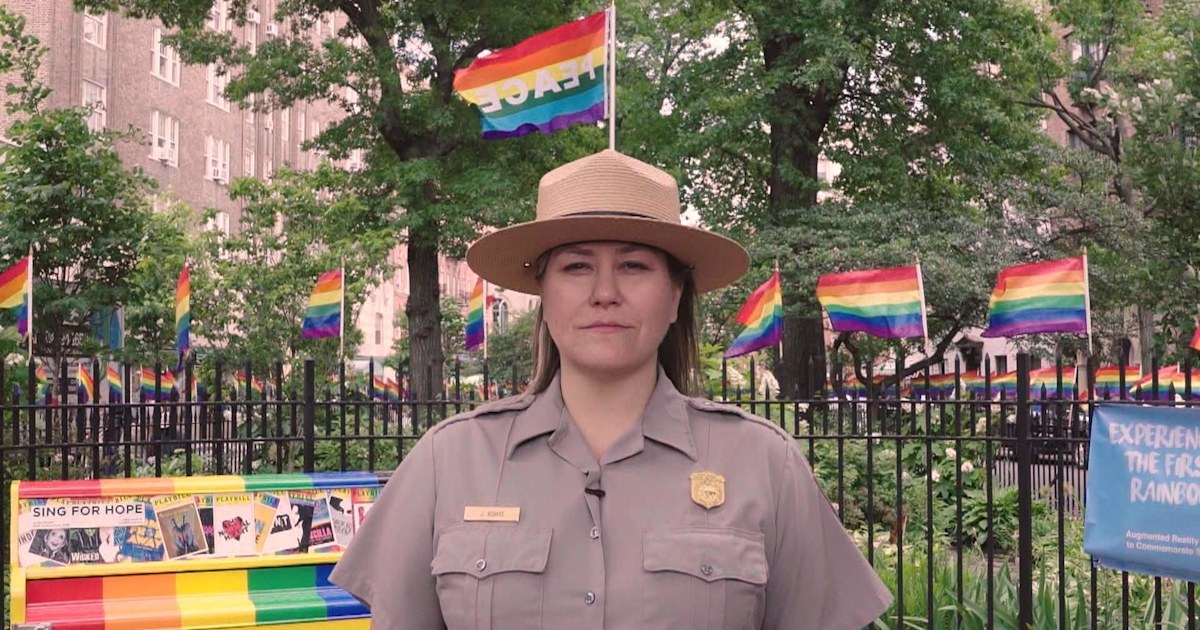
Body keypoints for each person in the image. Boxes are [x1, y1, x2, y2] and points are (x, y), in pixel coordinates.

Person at [331, 150, 893, 629]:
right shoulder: (448, 461)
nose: (604, 292)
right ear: (543, 295)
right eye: (576, 267)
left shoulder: (764, 464)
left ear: (675, 297)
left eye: (633, 266)